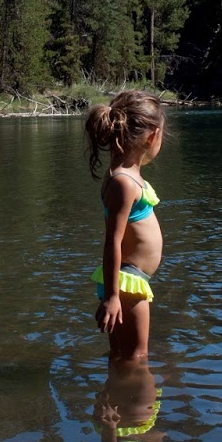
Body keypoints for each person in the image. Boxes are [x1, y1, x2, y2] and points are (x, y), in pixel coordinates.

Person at [85, 91, 166, 363]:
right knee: (137, 358)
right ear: (152, 135)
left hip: (125, 282)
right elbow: (112, 241)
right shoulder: (123, 182)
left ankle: (112, 401)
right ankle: (137, 403)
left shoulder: (127, 175)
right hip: (127, 285)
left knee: (123, 355)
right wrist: (111, 296)